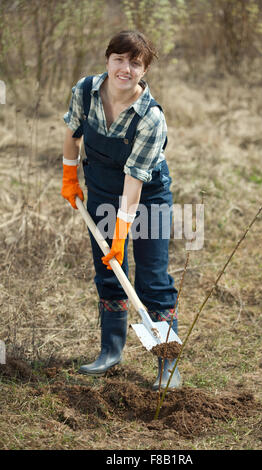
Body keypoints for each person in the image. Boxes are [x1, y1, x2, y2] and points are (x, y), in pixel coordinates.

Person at [61, 30, 181, 390]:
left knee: (152, 279)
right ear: (108, 59)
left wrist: (122, 232)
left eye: (135, 63)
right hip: (100, 190)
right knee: (108, 272)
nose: (125, 69)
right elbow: (72, 130)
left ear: (144, 69)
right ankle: (110, 352)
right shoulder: (85, 90)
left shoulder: (150, 118)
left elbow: (134, 181)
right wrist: (69, 174)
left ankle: (168, 365)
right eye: (119, 59)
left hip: (146, 197)